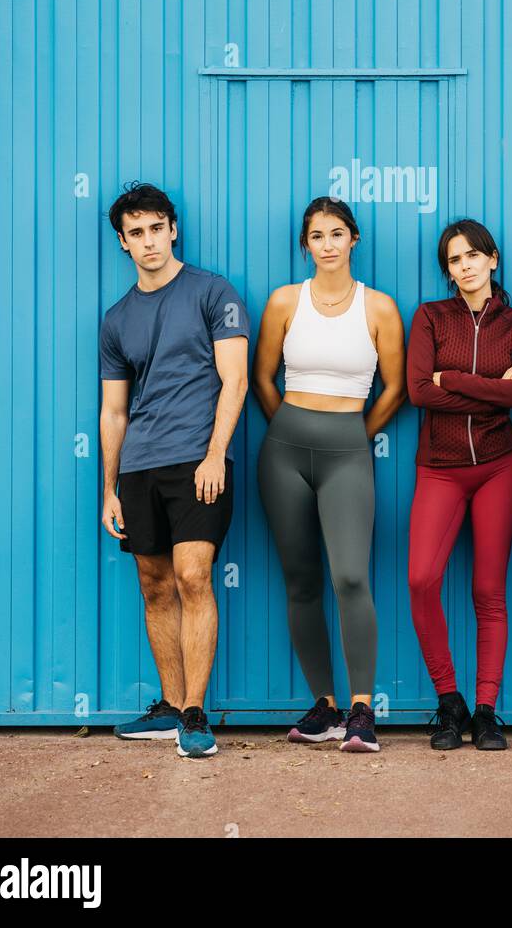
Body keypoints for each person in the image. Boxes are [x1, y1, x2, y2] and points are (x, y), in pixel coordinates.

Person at [99, 182, 250, 758]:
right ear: (123, 243)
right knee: (154, 584)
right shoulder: (115, 319)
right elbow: (114, 412)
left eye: (156, 228)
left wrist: (216, 454)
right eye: (135, 233)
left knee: (193, 576)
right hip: (139, 466)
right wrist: (108, 489)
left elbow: (233, 380)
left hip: (198, 460)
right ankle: (166, 707)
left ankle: (194, 712)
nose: (148, 241)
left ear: (173, 229)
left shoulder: (214, 292)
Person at [252, 197, 406, 753]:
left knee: (350, 577)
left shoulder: (380, 308)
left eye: (337, 233)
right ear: (306, 245)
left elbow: (396, 387)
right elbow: (263, 377)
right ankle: (326, 706)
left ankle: (362, 710)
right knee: (301, 581)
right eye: (316, 236)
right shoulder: (283, 302)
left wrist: (357, 435)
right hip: (283, 452)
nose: (327, 244)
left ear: (354, 239)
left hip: (347, 449)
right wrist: (287, 429)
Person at [406, 219, 512, 751]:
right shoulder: (431, 317)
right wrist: (492, 389)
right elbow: (419, 390)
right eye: (453, 260)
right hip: (439, 466)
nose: (462, 266)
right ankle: (448, 702)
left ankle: (486, 710)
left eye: (471, 256)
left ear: (492, 258)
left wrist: (454, 380)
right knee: (421, 579)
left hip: (498, 467)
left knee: (488, 591)